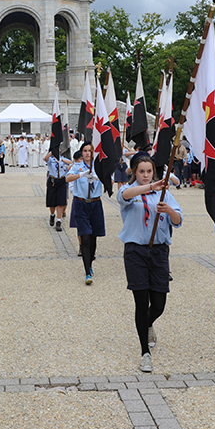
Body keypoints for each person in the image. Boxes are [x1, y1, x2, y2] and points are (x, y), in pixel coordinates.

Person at [118, 153, 182, 373]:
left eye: (149, 171)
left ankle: (147, 323)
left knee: (158, 303)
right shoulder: (130, 191)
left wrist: (169, 210)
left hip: (159, 251)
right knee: (141, 301)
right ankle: (145, 352)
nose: (145, 175)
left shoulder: (164, 194)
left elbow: (178, 220)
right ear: (134, 173)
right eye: (141, 171)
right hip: (135, 251)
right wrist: (151, 186)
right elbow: (125, 195)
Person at [65, 142, 106, 284]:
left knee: (93, 238)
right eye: (85, 150)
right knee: (85, 237)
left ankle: (90, 262)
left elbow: (110, 181)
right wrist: (81, 175)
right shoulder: (77, 166)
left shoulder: (99, 166)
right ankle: (87, 271)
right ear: (82, 152)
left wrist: (98, 177)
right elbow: (67, 178)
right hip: (81, 203)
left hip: (95, 203)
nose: (88, 153)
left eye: (90, 150)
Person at [44, 147, 69, 231]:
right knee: (52, 202)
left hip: (61, 181)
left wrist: (62, 160)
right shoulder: (51, 159)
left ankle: (59, 221)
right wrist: (52, 152)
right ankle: (52, 215)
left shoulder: (63, 159)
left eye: (59, 150)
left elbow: (71, 163)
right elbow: (45, 158)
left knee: (60, 202)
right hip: (52, 181)